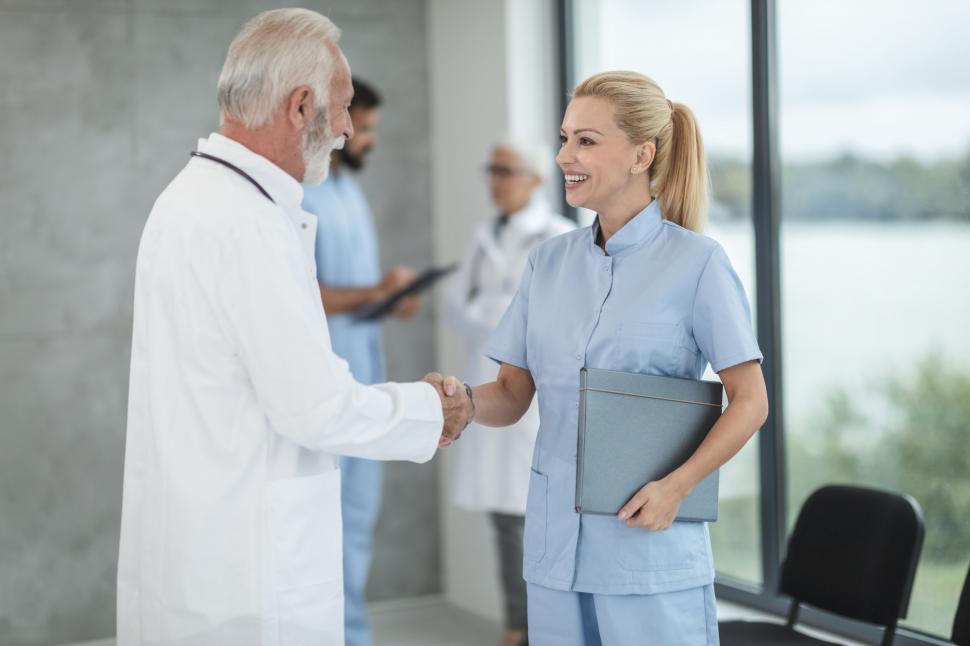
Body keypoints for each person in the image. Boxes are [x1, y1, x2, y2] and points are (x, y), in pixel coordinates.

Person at [116, 9, 472, 646]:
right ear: (301, 105)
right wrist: (431, 410)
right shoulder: (247, 224)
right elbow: (315, 410)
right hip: (246, 576)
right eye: (340, 109)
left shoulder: (191, 197)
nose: (343, 129)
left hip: (205, 546)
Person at [466, 71, 769, 645]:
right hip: (557, 550)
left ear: (641, 155)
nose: (563, 156)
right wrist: (455, 403)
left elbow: (750, 403)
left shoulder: (697, 263)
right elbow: (509, 395)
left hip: (648, 548)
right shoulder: (546, 263)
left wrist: (677, 488)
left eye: (585, 140)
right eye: (563, 138)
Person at [301, 77, 418, 646]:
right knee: (329, 531)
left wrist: (387, 299)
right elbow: (302, 293)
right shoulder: (304, 194)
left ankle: (353, 635)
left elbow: (356, 292)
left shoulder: (350, 192)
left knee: (358, 524)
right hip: (324, 388)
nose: (367, 138)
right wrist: (376, 291)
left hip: (365, 378)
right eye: (361, 127)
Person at [444, 138, 574, 646]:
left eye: (506, 170)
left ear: (537, 180)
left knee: (534, 521)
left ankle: (537, 630)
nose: (495, 180)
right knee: (503, 521)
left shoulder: (557, 237)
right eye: (491, 169)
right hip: (489, 388)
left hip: (531, 397)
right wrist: (499, 306)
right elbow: (458, 308)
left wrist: (493, 306)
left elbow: (530, 317)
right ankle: (517, 629)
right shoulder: (485, 234)